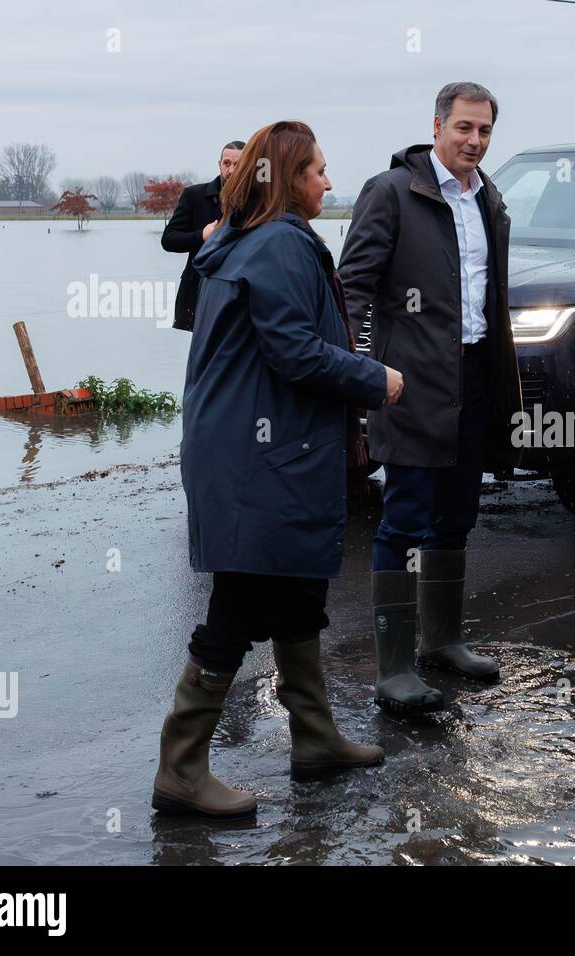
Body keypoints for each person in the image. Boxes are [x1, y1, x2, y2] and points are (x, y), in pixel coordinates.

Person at [152, 121, 405, 819]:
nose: (328, 181)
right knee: (236, 604)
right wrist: (374, 378)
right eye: (319, 170)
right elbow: (295, 351)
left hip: (253, 442)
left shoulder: (244, 239)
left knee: (296, 593)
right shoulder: (280, 246)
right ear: (289, 180)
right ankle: (180, 770)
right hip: (253, 454)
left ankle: (315, 740)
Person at [338, 82, 521, 714]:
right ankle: (393, 669)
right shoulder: (392, 193)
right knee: (406, 520)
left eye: (486, 131)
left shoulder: (489, 197)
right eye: (465, 128)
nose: (475, 141)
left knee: (457, 515)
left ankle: (443, 642)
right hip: (410, 382)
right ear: (437, 125)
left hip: (474, 377)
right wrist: (362, 367)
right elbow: (352, 288)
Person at [161, 140, 244, 332]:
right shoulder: (194, 195)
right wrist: (202, 236)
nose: (231, 171)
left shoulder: (259, 201)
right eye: (227, 163)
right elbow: (168, 239)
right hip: (200, 289)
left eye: (238, 165)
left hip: (241, 292)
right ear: (219, 164)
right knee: (202, 357)